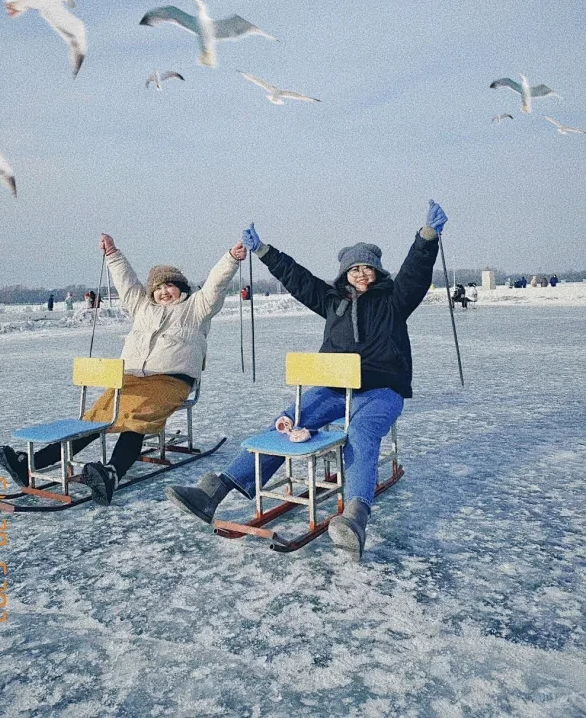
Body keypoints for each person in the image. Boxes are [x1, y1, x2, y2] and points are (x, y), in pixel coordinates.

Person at [166, 200, 447, 560]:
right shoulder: (331, 301)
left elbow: (416, 272)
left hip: (381, 390)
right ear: (345, 272)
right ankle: (214, 492)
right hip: (333, 388)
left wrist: (427, 237)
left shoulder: (394, 300)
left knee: (360, 434)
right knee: (286, 422)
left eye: (367, 269)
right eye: (354, 269)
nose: (361, 274)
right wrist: (265, 251)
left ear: (377, 272)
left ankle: (355, 517)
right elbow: (297, 278)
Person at [0, 233, 247, 505]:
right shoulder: (143, 308)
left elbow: (215, 286)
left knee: (136, 417)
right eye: (158, 288)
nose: (163, 292)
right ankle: (32, 462)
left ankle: (112, 474)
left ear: (181, 287)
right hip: (130, 379)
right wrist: (113, 254)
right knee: (93, 419)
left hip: (171, 381)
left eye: (169, 286)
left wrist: (230, 259)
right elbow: (127, 284)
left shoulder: (196, 308)